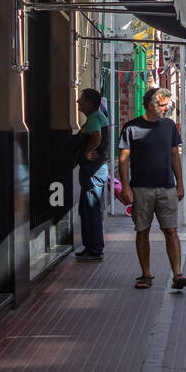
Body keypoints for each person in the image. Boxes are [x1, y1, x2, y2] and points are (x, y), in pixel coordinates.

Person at [117, 86, 186, 290]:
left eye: (167, 105)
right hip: (140, 188)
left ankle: (178, 274)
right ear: (150, 105)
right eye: (163, 105)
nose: (166, 108)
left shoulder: (169, 126)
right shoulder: (131, 128)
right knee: (142, 230)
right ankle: (146, 274)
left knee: (171, 230)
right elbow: (123, 160)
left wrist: (180, 185)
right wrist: (125, 187)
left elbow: (175, 156)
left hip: (167, 187)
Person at [74, 88, 111, 262]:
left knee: (91, 208)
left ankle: (94, 249)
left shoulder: (95, 118)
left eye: (81, 100)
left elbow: (95, 136)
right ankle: (90, 247)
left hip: (93, 170)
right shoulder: (97, 117)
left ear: (89, 103)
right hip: (96, 169)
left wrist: (88, 151)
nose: (78, 102)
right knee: (86, 208)